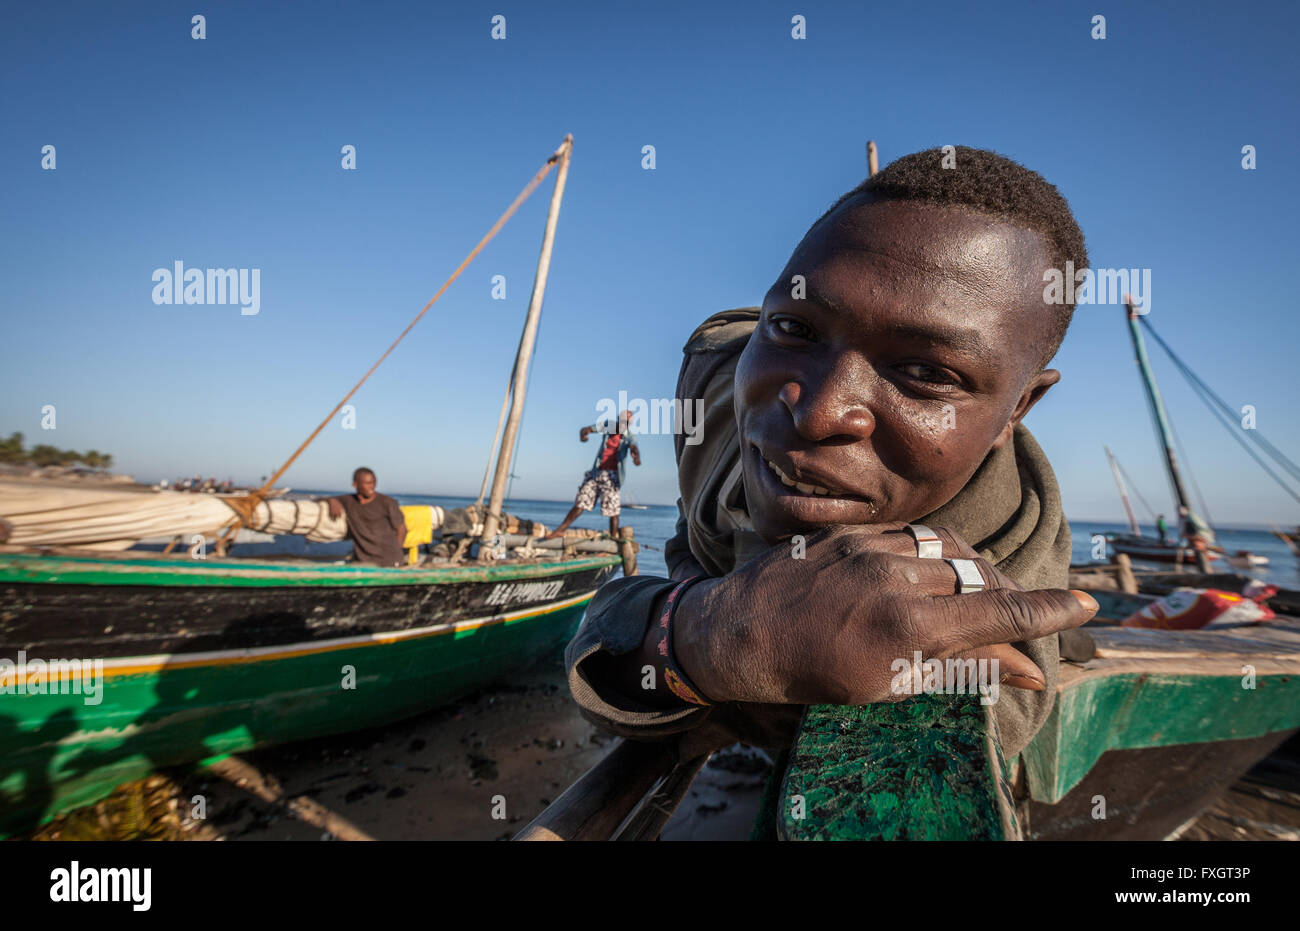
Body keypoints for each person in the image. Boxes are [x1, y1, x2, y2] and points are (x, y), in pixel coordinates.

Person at [565, 147, 1100, 778]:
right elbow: (691, 542)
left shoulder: (1011, 520)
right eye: (793, 328)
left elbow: (999, 706)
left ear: (1018, 409)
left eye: (927, 373)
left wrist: (747, 665)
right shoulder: (714, 382)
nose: (818, 415)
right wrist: (708, 631)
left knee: (1070, 641)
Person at [545, 411, 641, 540]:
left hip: (612, 477)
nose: (625, 425)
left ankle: (613, 539)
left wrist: (636, 457)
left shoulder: (630, 436)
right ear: (618, 420)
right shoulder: (608, 426)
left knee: (613, 510)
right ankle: (560, 531)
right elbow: (586, 430)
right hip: (596, 472)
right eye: (623, 421)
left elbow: (633, 446)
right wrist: (583, 436)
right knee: (581, 502)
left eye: (628, 423)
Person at [322, 467, 407, 567]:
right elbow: (321, 499)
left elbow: (402, 529)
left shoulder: (387, 502)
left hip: (388, 560)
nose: (372, 486)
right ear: (355, 484)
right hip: (363, 561)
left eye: (373, 482)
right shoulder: (349, 501)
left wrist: (396, 550)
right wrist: (332, 501)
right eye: (367, 483)